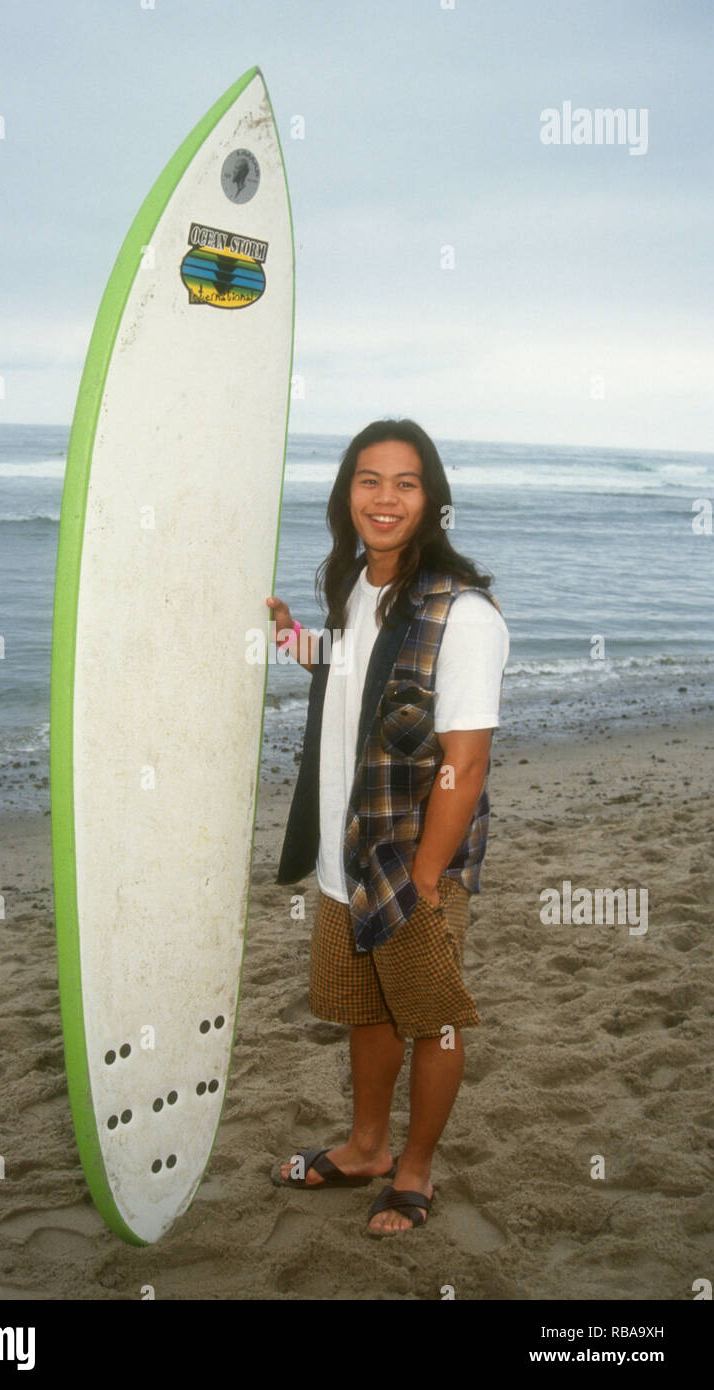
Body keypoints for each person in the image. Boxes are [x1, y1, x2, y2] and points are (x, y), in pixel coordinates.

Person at [265, 418, 509, 1236]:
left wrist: (430, 879)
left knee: (430, 1016)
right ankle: (367, 1146)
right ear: (346, 495)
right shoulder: (355, 587)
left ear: (433, 501)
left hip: (411, 862)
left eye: (406, 483)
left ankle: (414, 1170)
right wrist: (297, 641)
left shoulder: (463, 616)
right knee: (367, 1012)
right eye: (369, 480)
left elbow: (465, 765)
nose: (385, 498)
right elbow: (355, 671)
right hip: (348, 852)